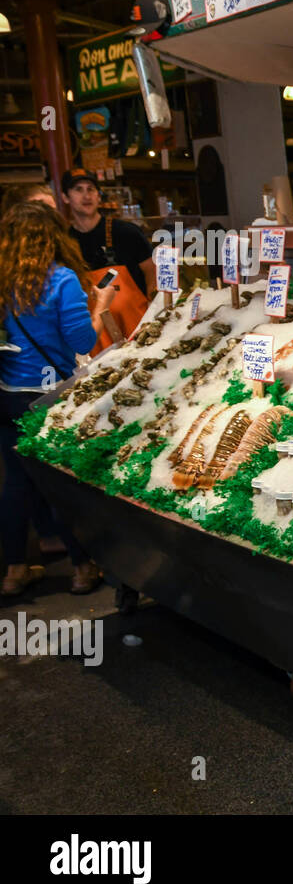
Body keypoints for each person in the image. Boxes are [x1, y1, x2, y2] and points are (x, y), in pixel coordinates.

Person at [0, 201, 116, 596]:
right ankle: (83, 568)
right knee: (61, 483)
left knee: (16, 483)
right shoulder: (62, 279)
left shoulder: (2, 281)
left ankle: (14, 570)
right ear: (53, 236)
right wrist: (99, 307)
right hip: (49, 395)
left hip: (8, 394)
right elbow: (83, 341)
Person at [61, 168, 154, 350]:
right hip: (95, 338)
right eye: (78, 190)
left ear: (98, 196)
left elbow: (152, 270)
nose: (86, 195)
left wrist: (154, 308)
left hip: (138, 333)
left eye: (91, 189)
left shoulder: (126, 232)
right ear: (65, 197)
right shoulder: (64, 242)